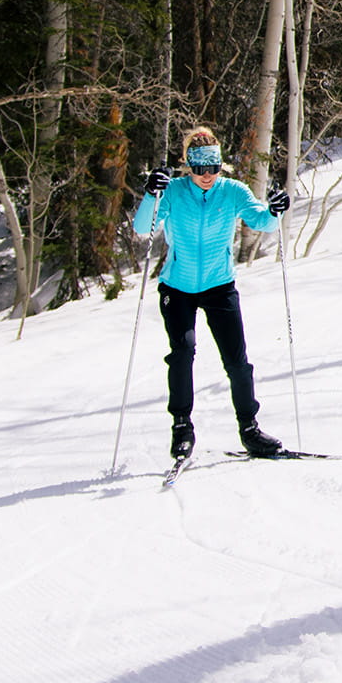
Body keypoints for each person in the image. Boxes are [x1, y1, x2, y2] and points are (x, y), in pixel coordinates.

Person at [132, 126, 293, 460]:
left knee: (237, 362)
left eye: (213, 168)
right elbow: (142, 228)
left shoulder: (232, 191)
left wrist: (276, 210)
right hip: (178, 288)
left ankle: (249, 429)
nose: (207, 176)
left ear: (222, 167)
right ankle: (182, 428)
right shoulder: (173, 192)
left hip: (219, 286)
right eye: (200, 169)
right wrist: (151, 194)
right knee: (182, 353)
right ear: (188, 166)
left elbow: (262, 222)